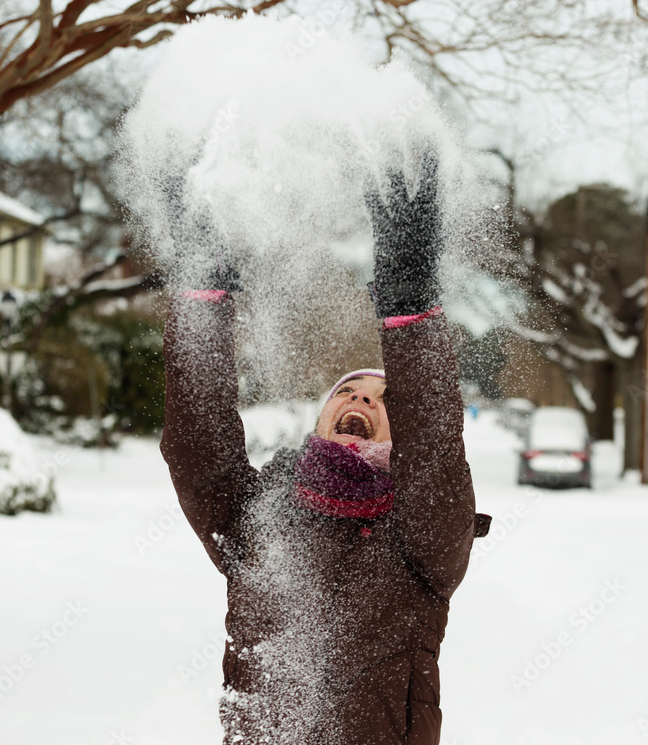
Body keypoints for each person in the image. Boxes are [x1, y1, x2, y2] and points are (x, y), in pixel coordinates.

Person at [160, 151, 490, 745]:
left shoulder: (423, 537)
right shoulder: (258, 517)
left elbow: (436, 457)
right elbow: (198, 441)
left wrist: (408, 302)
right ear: (320, 421)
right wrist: (201, 294)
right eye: (350, 393)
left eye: (384, 398)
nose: (363, 402)